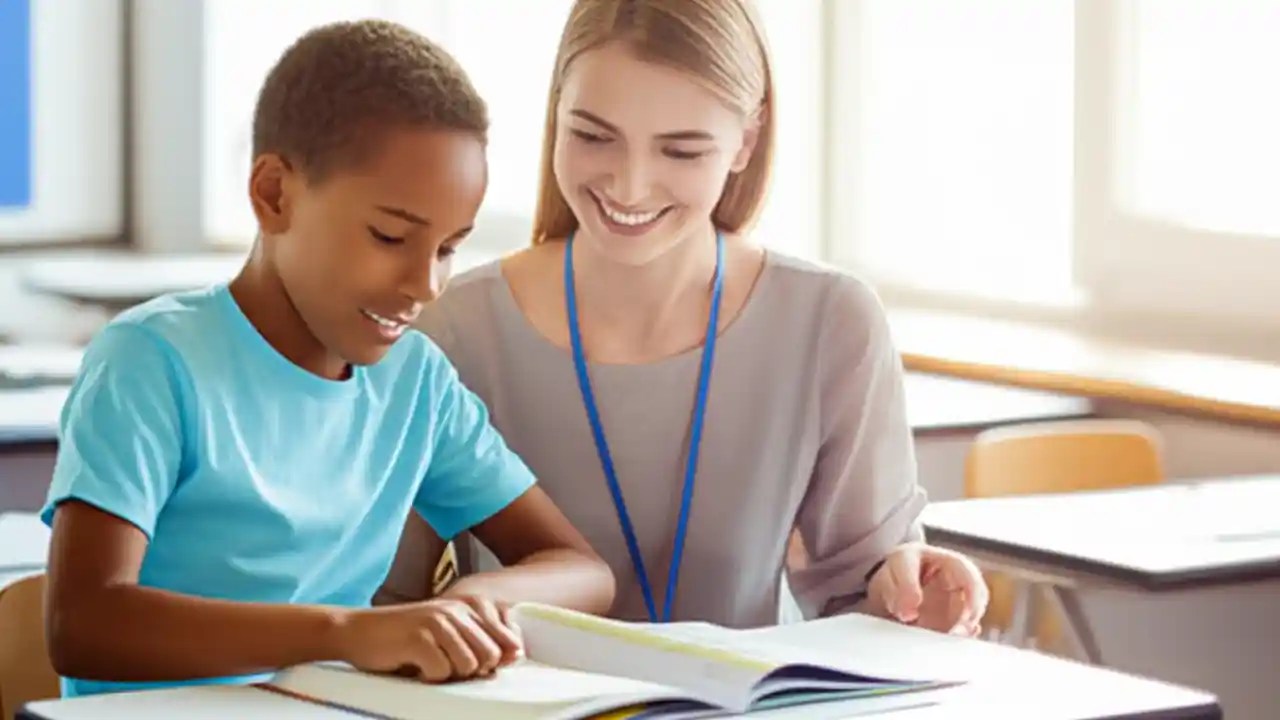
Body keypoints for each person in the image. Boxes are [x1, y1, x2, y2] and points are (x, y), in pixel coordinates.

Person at [40, 19, 614, 698]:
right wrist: (348, 632)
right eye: (390, 235)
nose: (425, 284)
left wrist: (473, 604)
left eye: (449, 247)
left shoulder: (415, 384)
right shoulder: (152, 361)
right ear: (274, 195)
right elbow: (83, 621)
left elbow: (581, 569)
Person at [383, 0, 989, 635]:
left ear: (745, 143)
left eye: (681, 151)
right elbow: (381, 604)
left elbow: (860, 601)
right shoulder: (450, 331)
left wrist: (911, 594)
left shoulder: (832, 323)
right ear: (556, 114)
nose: (630, 185)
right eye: (592, 136)